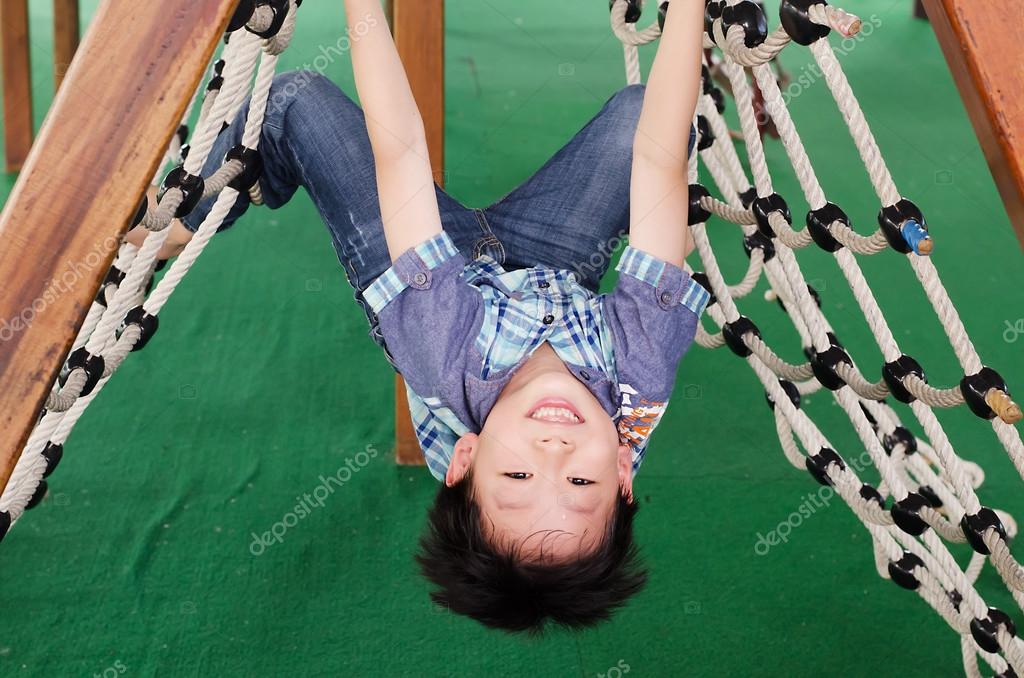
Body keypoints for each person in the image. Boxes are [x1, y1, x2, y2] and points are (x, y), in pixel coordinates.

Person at [127, 0, 707, 633]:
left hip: (430, 286)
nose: (553, 447)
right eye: (579, 479)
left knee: (294, 100)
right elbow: (657, 158)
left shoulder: (439, 350)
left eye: (516, 472)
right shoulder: (640, 370)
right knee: (647, 117)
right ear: (623, 470)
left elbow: (400, 151)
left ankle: (197, 211)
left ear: (465, 459)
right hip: (552, 269)